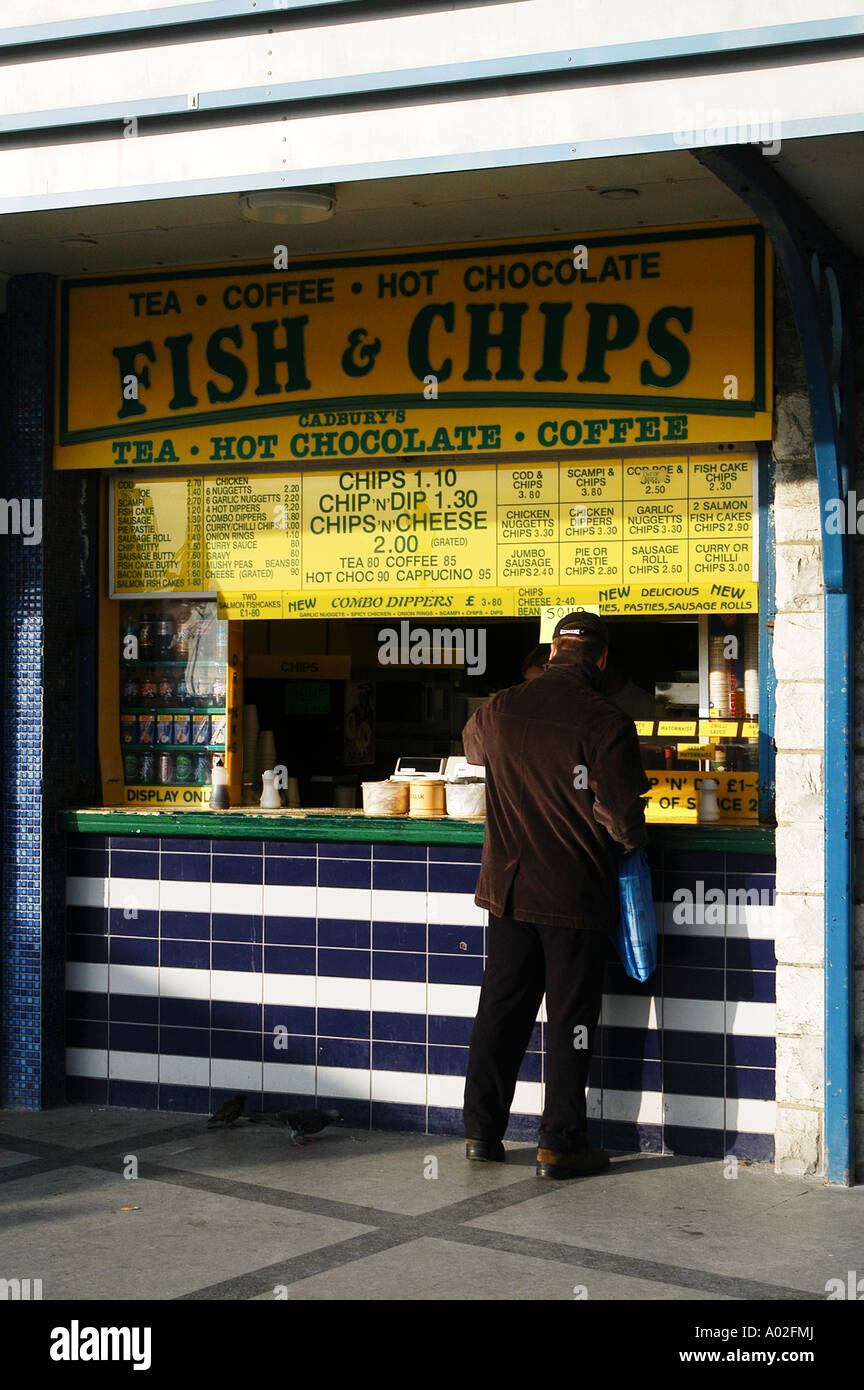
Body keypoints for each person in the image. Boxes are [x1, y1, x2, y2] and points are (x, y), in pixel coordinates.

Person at [461, 611, 650, 1179]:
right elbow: (620, 816)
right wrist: (631, 836)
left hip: (509, 891)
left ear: (550, 651)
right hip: (571, 894)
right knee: (571, 1019)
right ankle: (559, 1145)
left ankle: (481, 1133)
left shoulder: (498, 707)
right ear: (603, 659)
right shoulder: (605, 719)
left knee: (500, 1011)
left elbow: (474, 752)